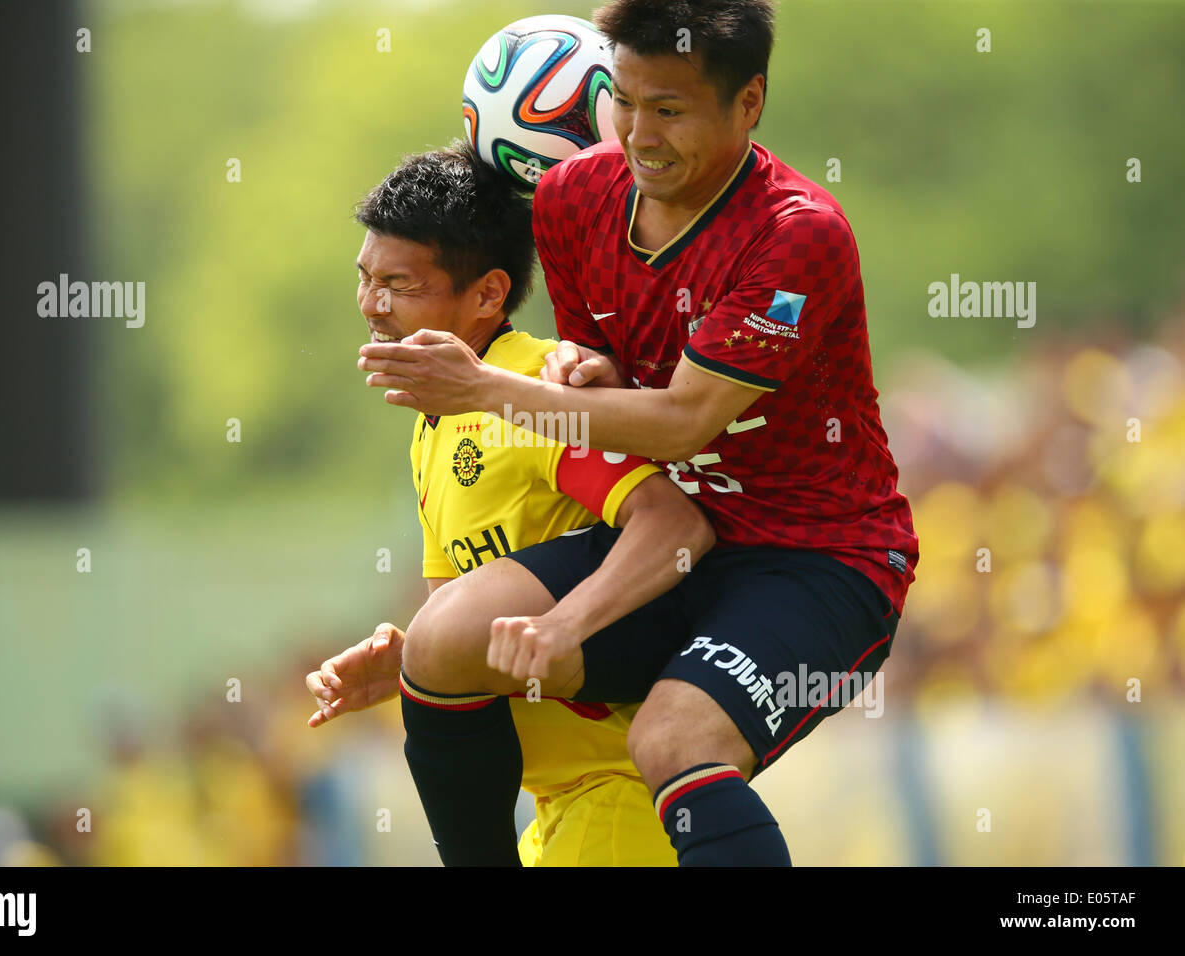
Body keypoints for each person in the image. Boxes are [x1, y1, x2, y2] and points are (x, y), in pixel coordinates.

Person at [357, 0, 918, 866]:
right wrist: (590, 371)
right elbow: (612, 375)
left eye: (670, 109)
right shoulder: (575, 194)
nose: (638, 133)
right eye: (622, 101)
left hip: (815, 557)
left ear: (749, 102)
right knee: (441, 642)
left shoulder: (796, 236)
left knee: (673, 737)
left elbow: (684, 419)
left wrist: (485, 389)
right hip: (673, 536)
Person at [306, 144, 713, 865]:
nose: (372, 304)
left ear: (489, 294)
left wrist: (564, 626)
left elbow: (673, 524)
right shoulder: (432, 426)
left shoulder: (537, 388)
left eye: (400, 283)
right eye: (365, 278)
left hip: (621, 800)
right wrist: (415, 665)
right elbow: (473, 617)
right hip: (556, 811)